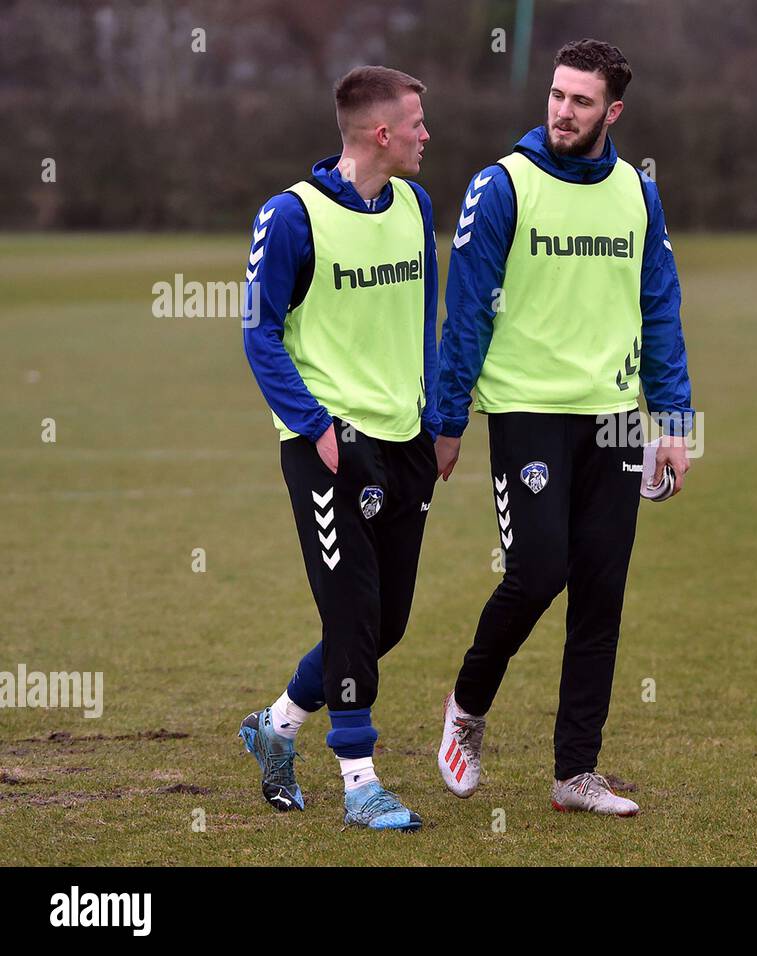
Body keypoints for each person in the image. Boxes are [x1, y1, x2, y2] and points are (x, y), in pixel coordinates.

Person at [433, 39, 695, 816]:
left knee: (602, 595)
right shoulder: (503, 185)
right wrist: (448, 419)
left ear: (613, 111)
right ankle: (467, 708)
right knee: (539, 570)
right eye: (556, 94)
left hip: (613, 420)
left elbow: (661, 309)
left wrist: (674, 421)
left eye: (582, 101)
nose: (562, 110)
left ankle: (576, 772)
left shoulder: (637, 195)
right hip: (527, 416)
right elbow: (467, 311)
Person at [239, 65, 442, 832]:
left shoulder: (416, 204)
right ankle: (361, 781)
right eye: (417, 122)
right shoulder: (290, 217)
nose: (428, 135)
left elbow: (422, 318)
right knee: (352, 611)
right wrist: (317, 425)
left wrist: (434, 416)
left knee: (385, 624)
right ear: (382, 133)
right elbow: (259, 333)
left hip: (406, 440)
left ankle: (275, 728)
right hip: (327, 444)